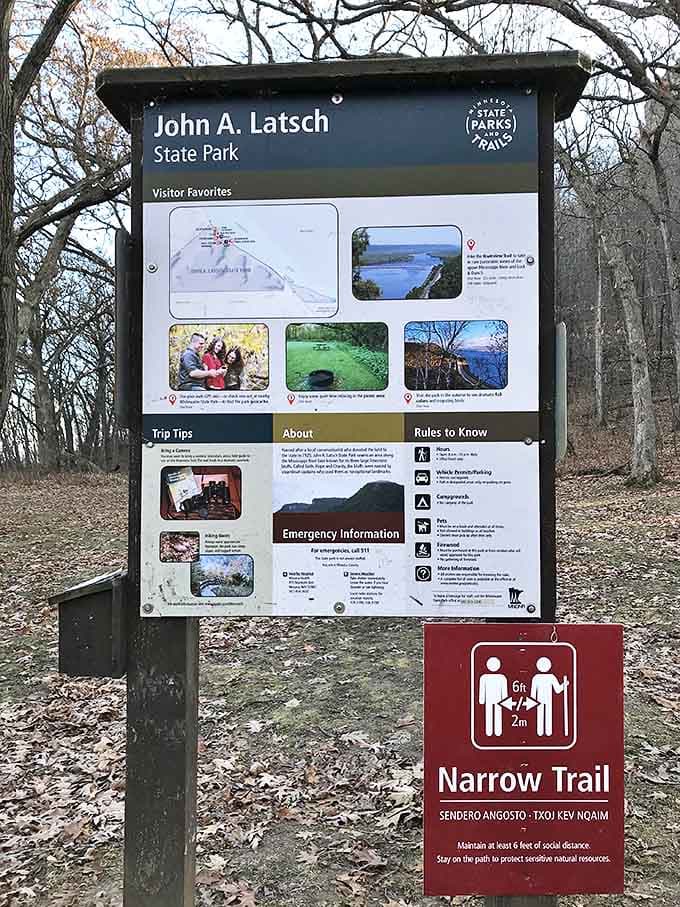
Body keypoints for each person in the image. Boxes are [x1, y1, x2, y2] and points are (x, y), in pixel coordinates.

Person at [530, 657, 568, 737]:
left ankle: (546, 732)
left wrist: (564, 685)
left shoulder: (547, 677)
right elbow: (533, 693)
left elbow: (557, 690)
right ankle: (543, 732)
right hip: (541, 701)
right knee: (543, 714)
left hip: (545, 700)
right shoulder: (538, 678)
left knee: (546, 714)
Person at [478, 656, 508, 737]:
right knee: (490, 714)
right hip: (491, 700)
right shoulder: (484, 678)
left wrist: (504, 700)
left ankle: (497, 731)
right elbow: (482, 689)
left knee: (496, 714)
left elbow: (504, 690)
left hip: (497, 700)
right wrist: (481, 700)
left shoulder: (502, 678)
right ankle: (489, 731)